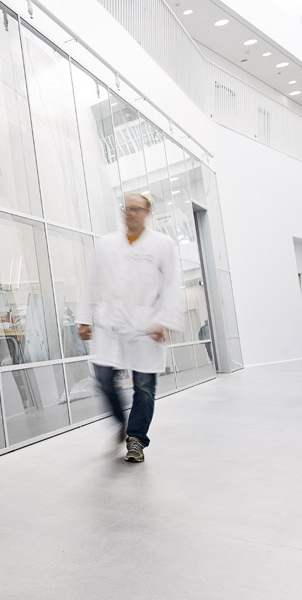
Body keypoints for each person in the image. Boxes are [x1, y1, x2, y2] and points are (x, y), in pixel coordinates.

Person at [77, 192, 182, 463]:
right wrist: (85, 317)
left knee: (144, 386)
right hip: (110, 323)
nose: (130, 213)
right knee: (103, 377)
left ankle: (136, 439)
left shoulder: (162, 244)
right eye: (127, 209)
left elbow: (171, 285)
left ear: (148, 212)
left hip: (146, 325)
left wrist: (163, 321)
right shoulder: (106, 244)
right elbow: (92, 282)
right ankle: (120, 424)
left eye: (137, 209)